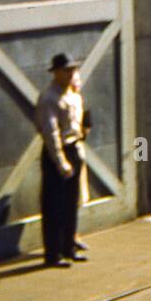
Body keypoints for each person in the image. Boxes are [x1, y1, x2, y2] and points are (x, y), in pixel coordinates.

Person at [34, 52, 90, 267]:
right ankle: (53, 254)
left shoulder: (74, 95)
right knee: (54, 206)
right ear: (56, 73)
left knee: (70, 203)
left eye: (72, 70)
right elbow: (50, 133)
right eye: (66, 70)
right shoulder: (49, 98)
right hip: (57, 153)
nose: (70, 74)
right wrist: (60, 162)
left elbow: (78, 123)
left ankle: (69, 247)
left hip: (74, 149)